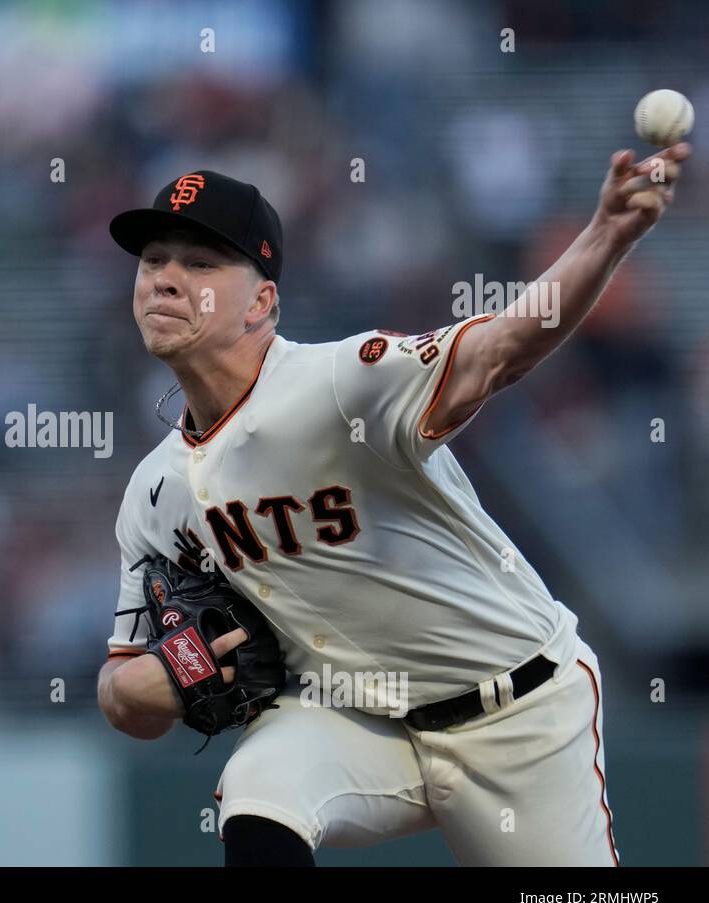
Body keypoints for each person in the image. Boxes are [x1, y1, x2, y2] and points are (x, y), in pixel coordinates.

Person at [96, 147, 688, 866]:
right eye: (153, 259)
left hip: (519, 711)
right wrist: (168, 672)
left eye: (199, 263)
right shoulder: (155, 492)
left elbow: (500, 349)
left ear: (261, 301)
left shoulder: (341, 385)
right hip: (358, 719)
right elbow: (120, 691)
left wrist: (607, 235)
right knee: (260, 786)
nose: (164, 277)